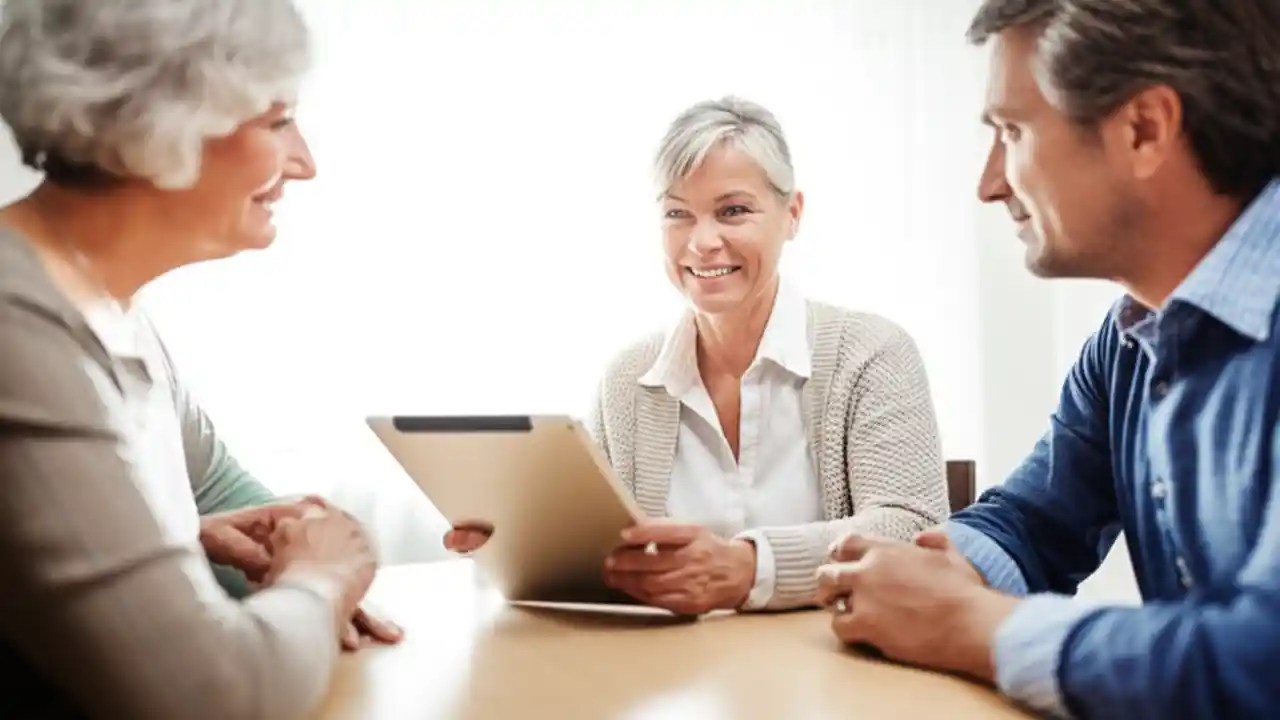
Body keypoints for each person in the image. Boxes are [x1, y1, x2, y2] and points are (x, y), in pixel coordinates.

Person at [814, 1, 1280, 718]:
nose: (990, 183)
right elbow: (1036, 523)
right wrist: (939, 568)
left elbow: (1260, 660)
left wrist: (969, 624)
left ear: (1144, 129)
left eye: (1012, 131)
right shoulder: (1130, 339)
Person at [0, 1, 391, 717]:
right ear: (157, 123)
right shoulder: (14, 328)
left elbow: (210, 490)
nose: (305, 162)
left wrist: (282, 562)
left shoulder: (108, 309)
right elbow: (212, 696)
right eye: (278, 123)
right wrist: (319, 582)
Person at [447, 97, 951, 614]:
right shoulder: (628, 380)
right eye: (677, 214)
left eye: (732, 211)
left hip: (837, 671)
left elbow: (912, 527)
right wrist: (522, 550)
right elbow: (606, 557)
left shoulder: (871, 352)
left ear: (792, 214)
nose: (702, 241)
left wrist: (748, 567)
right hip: (675, 676)